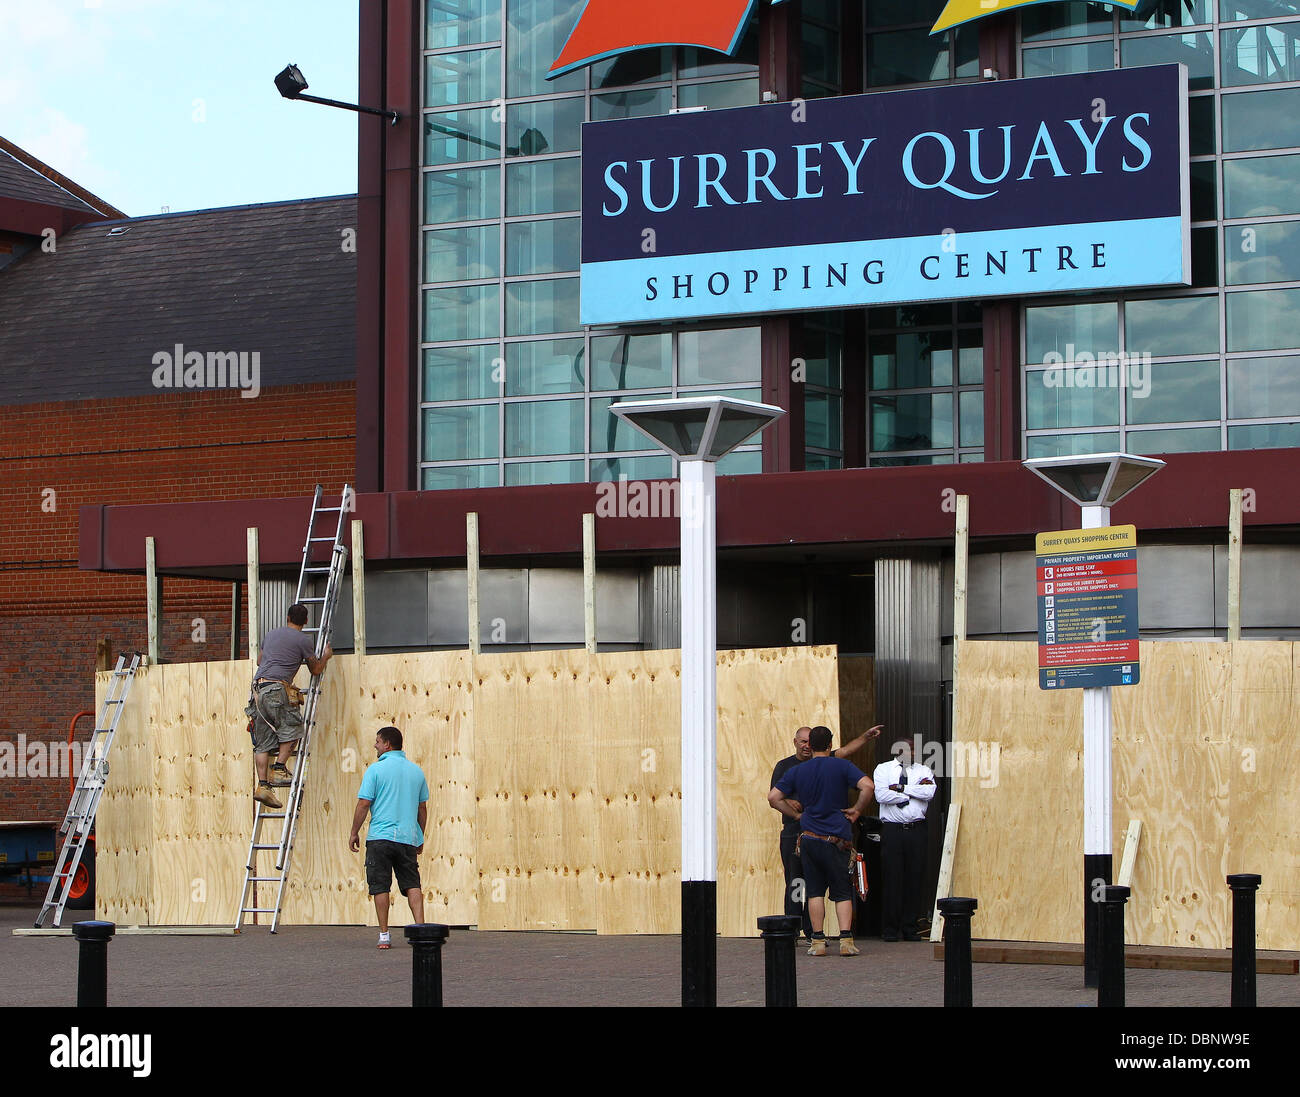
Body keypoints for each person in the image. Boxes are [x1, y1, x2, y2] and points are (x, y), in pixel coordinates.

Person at [769, 722, 883, 941]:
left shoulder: (809, 768)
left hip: (809, 833)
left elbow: (774, 797)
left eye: (807, 742)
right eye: (801, 742)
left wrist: (865, 737)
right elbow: (777, 796)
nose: (804, 746)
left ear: (812, 745)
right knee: (797, 883)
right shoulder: (786, 766)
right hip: (800, 833)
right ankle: (796, 929)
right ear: (796, 743)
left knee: (813, 888)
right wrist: (857, 810)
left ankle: (814, 934)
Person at [245, 602, 332, 809]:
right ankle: (280, 767)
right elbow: (316, 669)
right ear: (306, 621)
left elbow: (260, 661)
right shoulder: (303, 640)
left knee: (263, 742)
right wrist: (326, 656)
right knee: (294, 729)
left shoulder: (271, 634)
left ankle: (264, 785)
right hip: (276, 689)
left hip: (257, 691)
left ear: (287, 618)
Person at [349, 725, 429, 949]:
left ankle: (384, 935)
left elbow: (364, 803)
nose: (375, 745)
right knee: (413, 883)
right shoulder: (416, 772)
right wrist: (419, 835)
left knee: (380, 885)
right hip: (406, 837)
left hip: (380, 838)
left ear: (387, 744)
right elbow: (422, 808)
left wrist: (354, 832)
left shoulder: (375, 770)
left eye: (377, 741)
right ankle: (420, 930)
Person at [873, 738, 936, 942]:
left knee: (914, 879)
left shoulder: (924, 770)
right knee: (892, 878)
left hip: (916, 830)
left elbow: (929, 792)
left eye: (913, 749)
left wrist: (901, 789)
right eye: (905, 749)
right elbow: (882, 796)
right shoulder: (883, 769)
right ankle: (890, 929)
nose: (910, 752)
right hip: (892, 830)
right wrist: (913, 792)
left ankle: (910, 928)